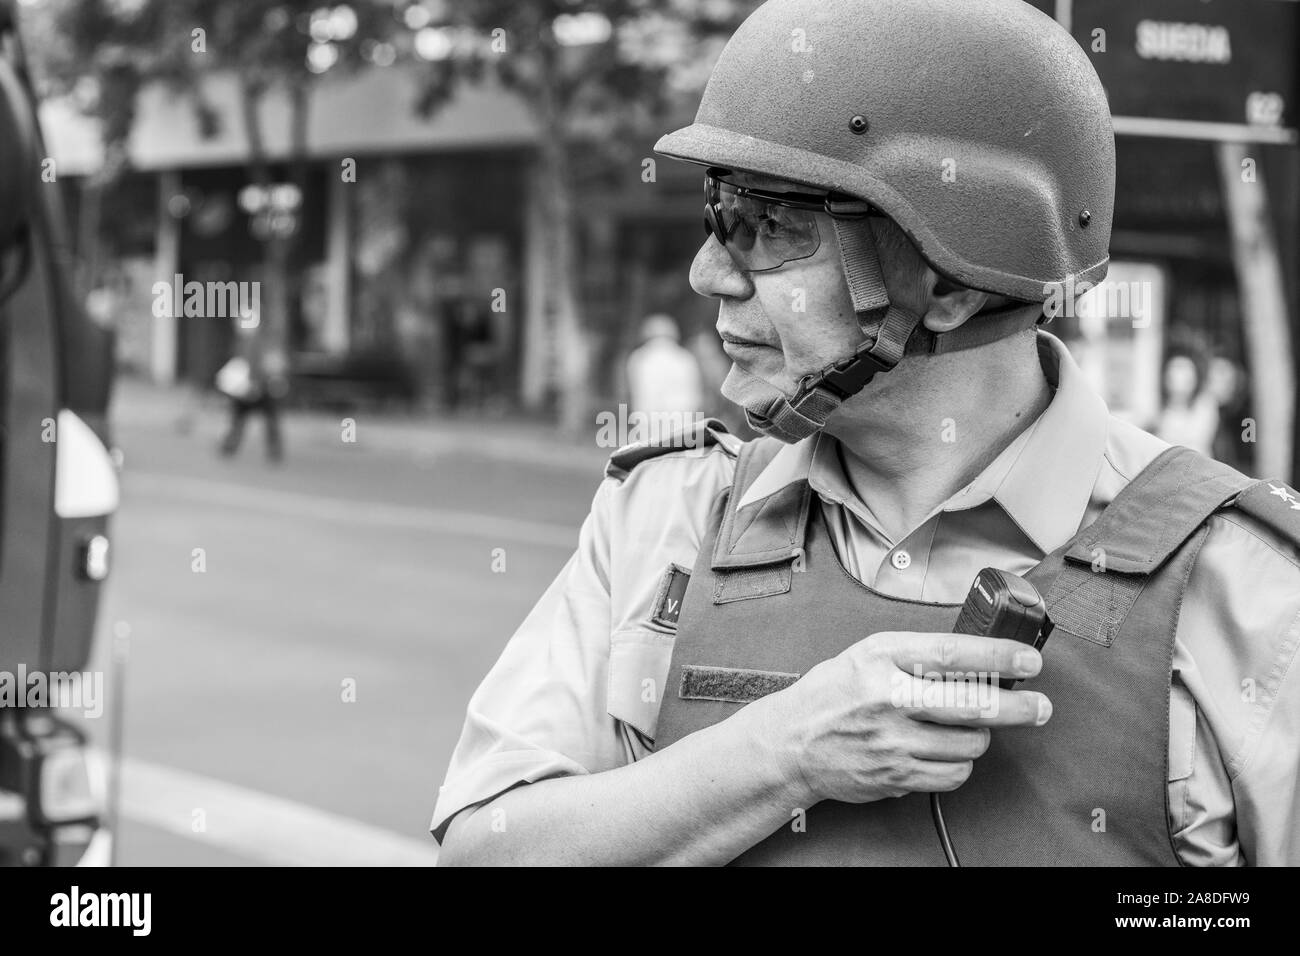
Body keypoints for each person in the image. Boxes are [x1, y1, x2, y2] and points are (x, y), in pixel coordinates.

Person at [433, 0, 1300, 866]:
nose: (707, 275)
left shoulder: (1248, 588)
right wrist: (784, 752)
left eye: (771, 230)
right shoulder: (666, 516)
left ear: (950, 287)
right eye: (719, 216)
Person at [217, 319, 287, 462]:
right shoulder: (243, 342)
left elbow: (271, 364)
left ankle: (274, 451)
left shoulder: (261, 342)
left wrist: (261, 382)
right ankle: (231, 446)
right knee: (241, 419)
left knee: (265, 420)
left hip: (260, 388)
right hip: (249, 389)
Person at [625, 314, 706, 424]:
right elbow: (694, 393)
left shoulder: (638, 358)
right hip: (682, 417)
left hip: (649, 418)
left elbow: (636, 392)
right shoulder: (685, 357)